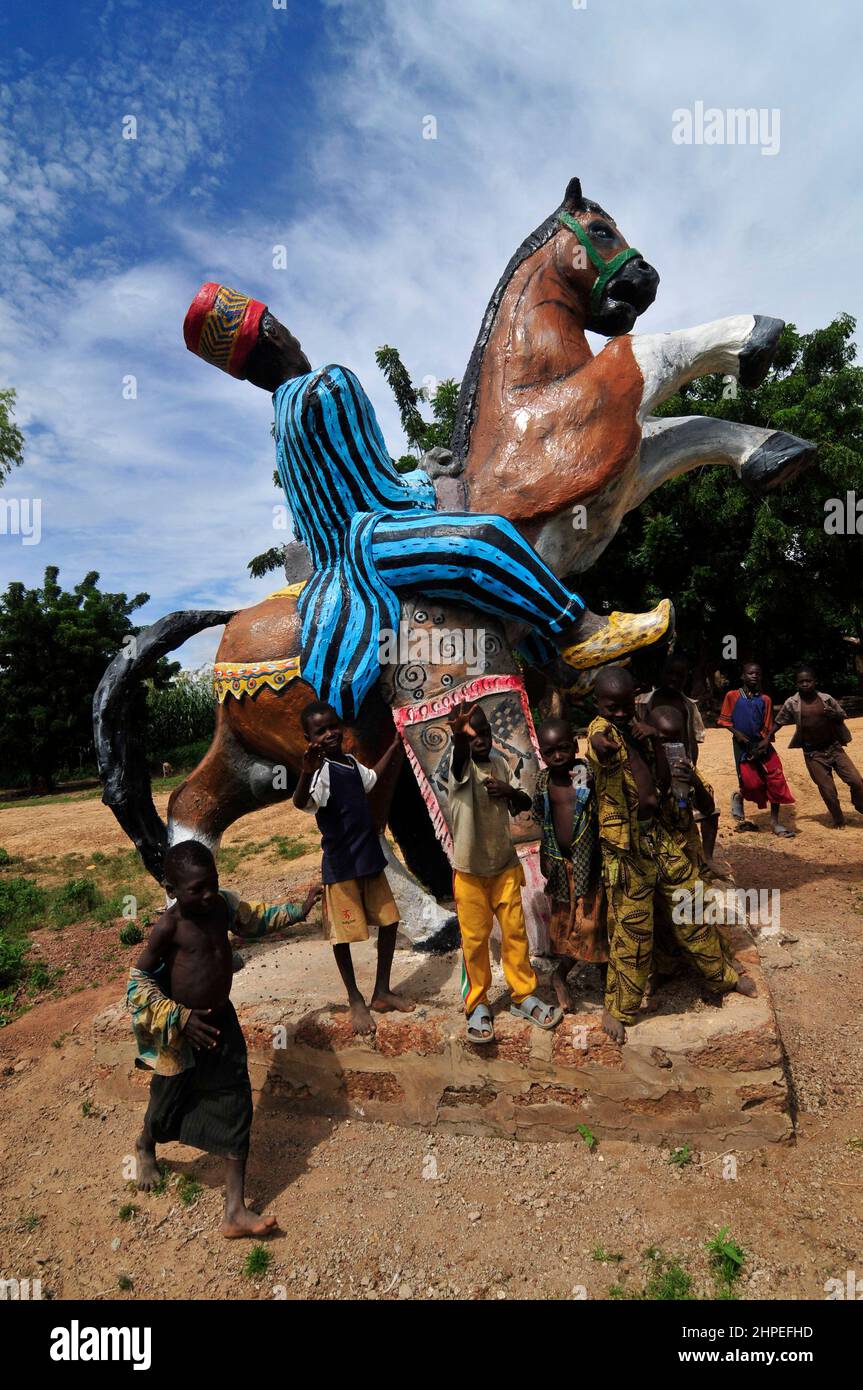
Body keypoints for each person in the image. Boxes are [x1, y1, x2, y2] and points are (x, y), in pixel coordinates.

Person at [183, 282, 674, 722]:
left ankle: (563, 668)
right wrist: (423, 481)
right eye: (285, 328)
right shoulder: (329, 385)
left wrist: (416, 474)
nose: (295, 338)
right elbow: (377, 494)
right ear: (272, 333)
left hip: (330, 555)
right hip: (367, 543)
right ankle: (578, 628)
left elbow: (337, 493)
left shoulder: (281, 418)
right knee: (485, 538)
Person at [127, 840, 321, 1237]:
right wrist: (178, 1018)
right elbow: (137, 983)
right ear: (172, 889)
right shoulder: (169, 927)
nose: (208, 894)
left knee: (236, 1101)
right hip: (181, 1034)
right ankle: (146, 1143)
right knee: (167, 1101)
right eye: (196, 888)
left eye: (212, 882)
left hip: (221, 1024)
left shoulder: (222, 907)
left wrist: (298, 910)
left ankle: (235, 1210)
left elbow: (254, 920)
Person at [586, 667, 752, 1045]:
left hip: (659, 838)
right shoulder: (602, 731)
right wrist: (603, 743)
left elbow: (676, 779)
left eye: (625, 706)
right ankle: (619, 1007)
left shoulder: (644, 726)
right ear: (599, 704)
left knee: (692, 906)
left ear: (636, 699)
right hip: (626, 849)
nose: (619, 713)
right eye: (612, 707)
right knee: (631, 930)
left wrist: (654, 739)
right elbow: (597, 746)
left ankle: (722, 977)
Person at [293, 699, 411, 1035]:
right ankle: (355, 998)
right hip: (342, 866)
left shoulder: (348, 763)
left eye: (334, 726)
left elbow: (372, 778)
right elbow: (302, 803)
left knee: (389, 921)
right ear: (309, 738)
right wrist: (305, 771)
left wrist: (394, 747)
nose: (330, 733)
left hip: (369, 859)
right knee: (342, 936)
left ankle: (381, 991)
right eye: (321, 731)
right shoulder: (320, 773)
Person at [447, 701, 562, 1042]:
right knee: (474, 941)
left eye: (484, 733)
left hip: (504, 867)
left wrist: (509, 790)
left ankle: (523, 995)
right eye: (472, 735)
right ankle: (477, 1002)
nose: (480, 740)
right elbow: (456, 765)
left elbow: (523, 801)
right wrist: (457, 739)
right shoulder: (461, 766)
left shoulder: (500, 763)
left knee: (515, 934)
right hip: (469, 872)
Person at [531, 716, 608, 1011]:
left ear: (575, 745)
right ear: (542, 754)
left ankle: (573, 974)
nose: (558, 756)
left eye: (563, 748)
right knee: (564, 925)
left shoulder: (583, 775)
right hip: (562, 866)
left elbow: (593, 809)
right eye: (549, 752)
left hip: (590, 865)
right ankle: (562, 976)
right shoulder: (544, 781)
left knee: (592, 923)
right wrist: (544, 855)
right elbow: (542, 820)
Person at [773, 666, 863, 829]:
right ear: (797, 684)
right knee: (827, 790)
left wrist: (834, 715)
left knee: (857, 781)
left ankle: (859, 804)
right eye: (801, 682)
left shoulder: (826, 699)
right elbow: (780, 720)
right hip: (813, 754)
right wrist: (767, 738)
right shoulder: (792, 703)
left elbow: (842, 715)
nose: (805, 684)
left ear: (815, 682)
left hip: (834, 748)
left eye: (808, 681)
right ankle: (838, 819)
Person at [718, 662, 794, 836]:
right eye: (750, 673)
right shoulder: (732, 696)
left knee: (776, 779)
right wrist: (737, 734)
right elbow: (724, 720)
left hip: (762, 744)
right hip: (741, 746)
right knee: (751, 782)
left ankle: (775, 822)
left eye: (757, 673)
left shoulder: (765, 699)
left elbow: (767, 724)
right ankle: (740, 794)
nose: (754, 676)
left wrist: (766, 741)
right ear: (743, 676)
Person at [636, 653, 705, 763]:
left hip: (679, 764)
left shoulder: (689, 707)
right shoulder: (641, 702)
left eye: (680, 675)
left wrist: (692, 766)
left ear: (686, 678)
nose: (674, 678)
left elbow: (692, 740)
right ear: (661, 673)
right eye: (669, 673)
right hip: (651, 763)